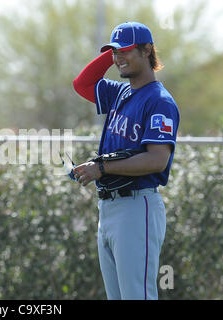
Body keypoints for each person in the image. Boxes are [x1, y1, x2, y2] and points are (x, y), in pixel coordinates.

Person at [72, 22, 180, 300]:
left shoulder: (160, 101)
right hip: (109, 207)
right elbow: (82, 83)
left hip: (136, 207)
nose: (118, 57)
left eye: (126, 50)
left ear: (147, 51)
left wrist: (102, 168)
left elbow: (157, 159)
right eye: (114, 52)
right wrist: (113, 53)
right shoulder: (120, 92)